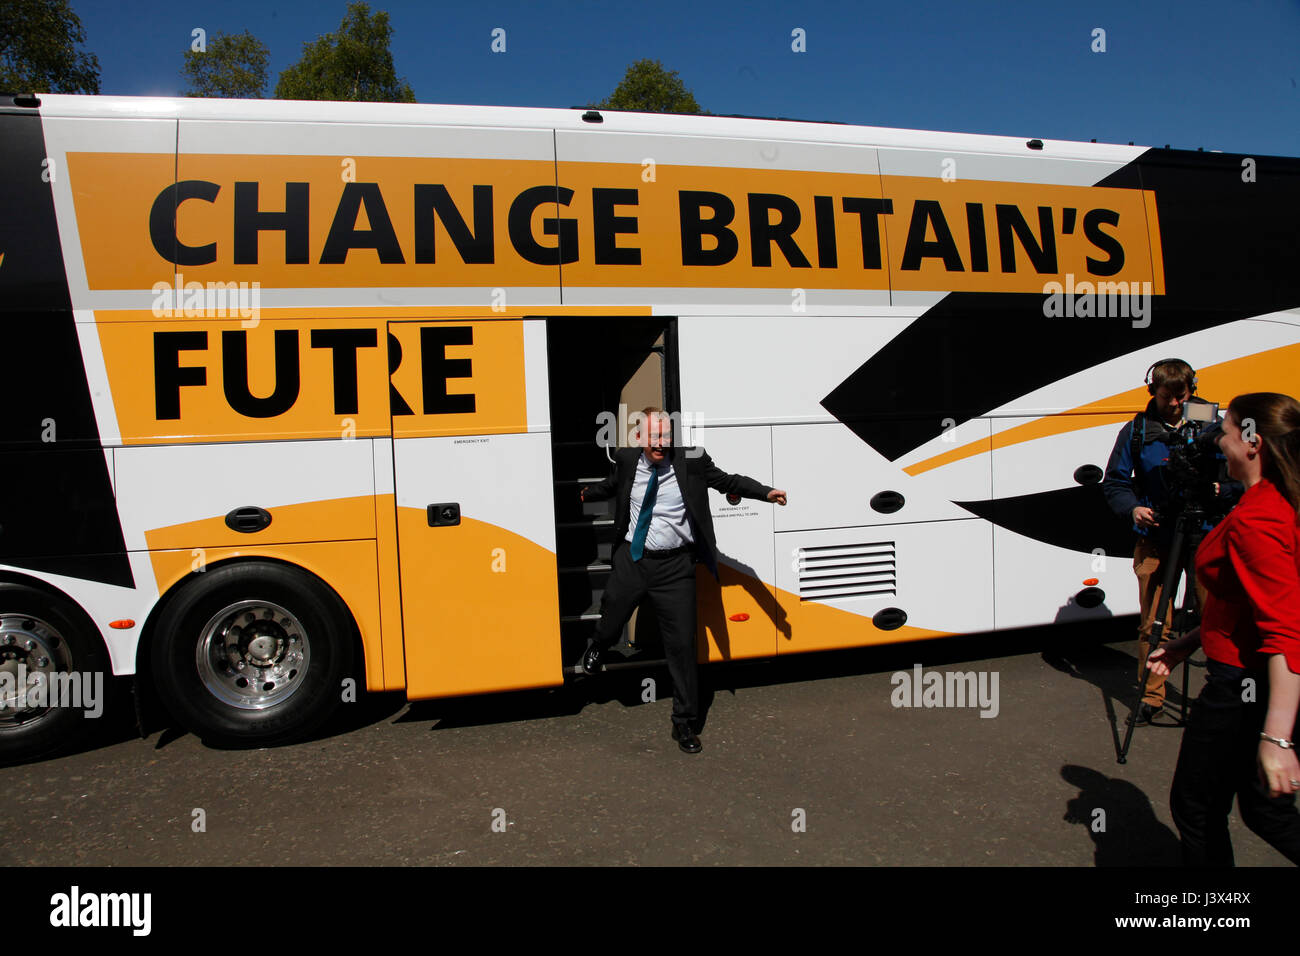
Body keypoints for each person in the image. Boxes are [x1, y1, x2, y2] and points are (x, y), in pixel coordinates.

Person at [579, 408, 787, 754]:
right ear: (639, 438)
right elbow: (616, 485)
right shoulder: (628, 458)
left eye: (666, 435)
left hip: (676, 568)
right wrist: (589, 494)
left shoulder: (692, 460)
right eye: (654, 436)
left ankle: (684, 723)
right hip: (634, 559)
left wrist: (765, 492)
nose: (661, 443)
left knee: (682, 647)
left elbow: (727, 482)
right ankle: (599, 645)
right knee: (611, 617)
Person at [1149, 392, 1300, 865]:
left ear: (1253, 443)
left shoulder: (1258, 519)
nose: (1219, 440)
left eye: (1228, 431)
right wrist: (1187, 643)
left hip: (1241, 686)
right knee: (1262, 811)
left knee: (1195, 806)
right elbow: (1246, 606)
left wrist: (1277, 740)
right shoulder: (1273, 499)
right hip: (1248, 674)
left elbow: (1285, 628)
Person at [1102, 359, 1240, 724]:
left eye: (1181, 397)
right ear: (1153, 392)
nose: (1175, 404)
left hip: (1207, 532)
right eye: (1167, 398)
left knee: (1216, 619)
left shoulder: (1213, 423)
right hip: (1157, 535)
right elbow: (1114, 481)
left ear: (1191, 390)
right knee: (1153, 623)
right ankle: (1151, 697)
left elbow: (1243, 478)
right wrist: (1133, 509)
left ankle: (1221, 695)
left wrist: (1220, 490)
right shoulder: (1137, 429)